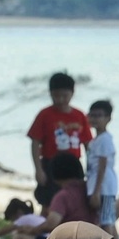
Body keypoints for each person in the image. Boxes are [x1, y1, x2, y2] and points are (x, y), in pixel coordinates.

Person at [27, 72, 90, 210]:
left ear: (72, 93)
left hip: (73, 165)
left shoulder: (79, 115)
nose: (60, 100)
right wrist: (38, 169)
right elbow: (35, 142)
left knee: (75, 200)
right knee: (48, 201)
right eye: (56, 96)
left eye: (64, 96)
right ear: (50, 94)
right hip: (51, 163)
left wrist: (91, 168)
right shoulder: (45, 114)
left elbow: (87, 144)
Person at [86, 100, 119, 239]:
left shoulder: (104, 139)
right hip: (98, 185)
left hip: (104, 186)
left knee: (106, 222)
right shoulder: (97, 139)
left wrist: (97, 191)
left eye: (99, 115)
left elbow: (103, 165)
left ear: (108, 118)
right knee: (103, 220)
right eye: (92, 115)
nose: (95, 119)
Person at [42, 154, 96, 229]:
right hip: (94, 234)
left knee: (22, 238)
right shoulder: (90, 190)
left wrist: (33, 229)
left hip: (70, 237)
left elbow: (52, 223)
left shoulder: (63, 196)